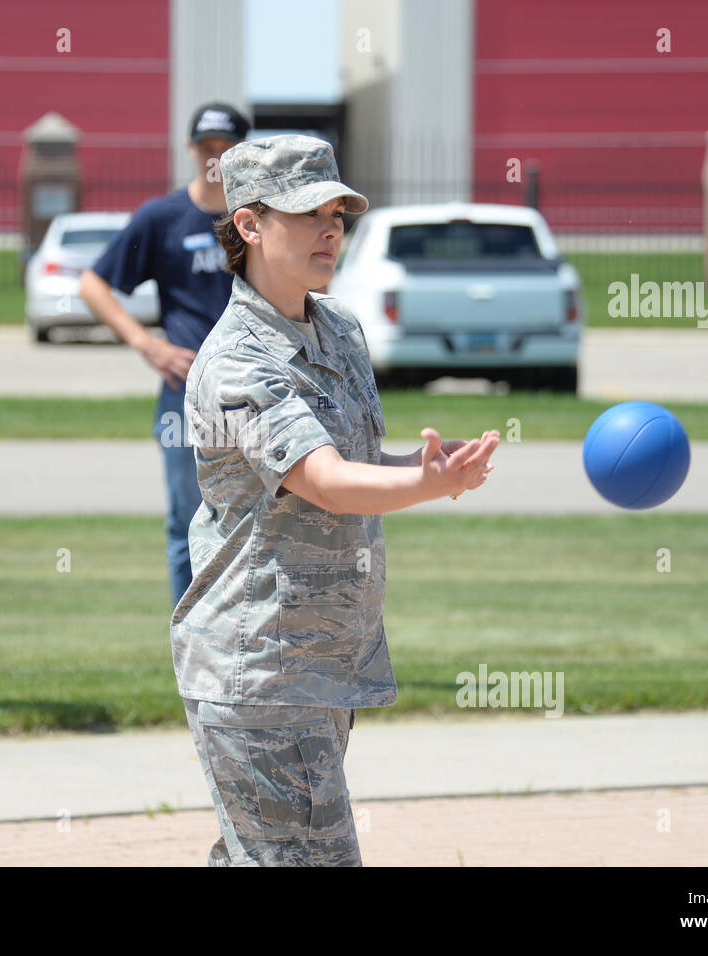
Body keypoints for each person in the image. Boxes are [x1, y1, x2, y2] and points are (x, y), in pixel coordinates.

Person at [172, 134, 501, 866]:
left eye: (337, 214)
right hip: (261, 668)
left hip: (321, 662)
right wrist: (425, 486)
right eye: (307, 213)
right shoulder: (237, 358)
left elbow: (355, 465)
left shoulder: (340, 329)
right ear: (250, 224)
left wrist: (425, 466)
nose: (330, 230)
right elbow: (321, 480)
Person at [80, 102, 252, 606]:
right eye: (206, 147)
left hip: (257, 389)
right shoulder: (163, 217)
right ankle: (191, 638)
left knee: (259, 522)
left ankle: (250, 639)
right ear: (189, 149)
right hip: (187, 394)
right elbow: (92, 284)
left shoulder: (260, 217)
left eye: (226, 148)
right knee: (187, 521)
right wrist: (147, 344)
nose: (215, 158)